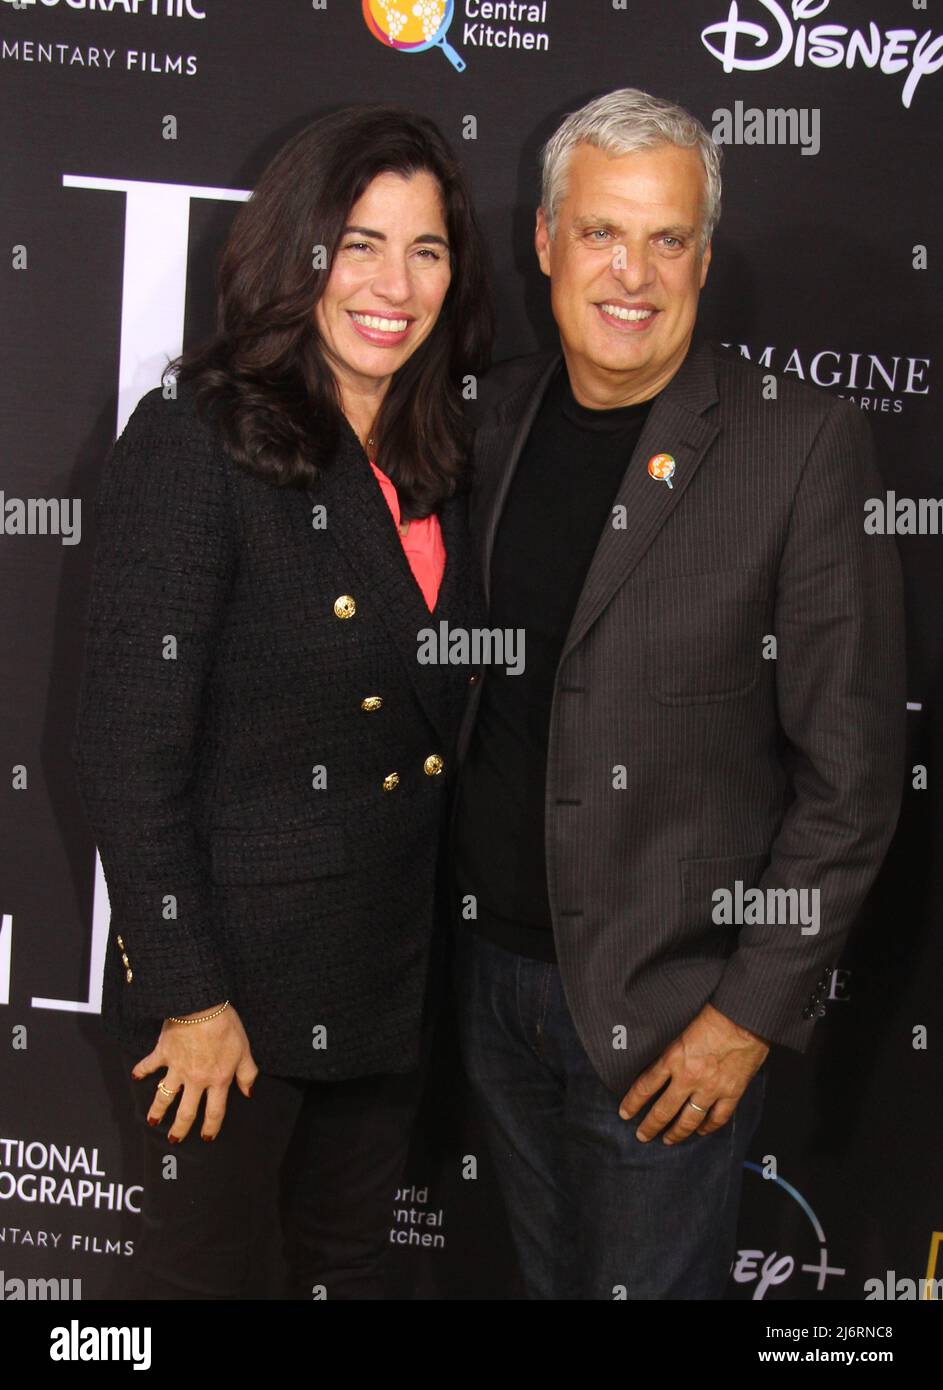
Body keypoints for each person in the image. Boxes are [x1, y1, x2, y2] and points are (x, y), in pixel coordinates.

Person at [450, 87, 906, 1300]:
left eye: (666, 240)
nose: (631, 274)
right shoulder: (486, 420)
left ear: (703, 257)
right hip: (489, 988)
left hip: (669, 1018)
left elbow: (853, 777)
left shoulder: (798, 444)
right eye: (601, 232)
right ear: (545, 243)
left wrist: (745, 1018)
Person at [71, 103, 493, 1300]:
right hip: (233, 1000)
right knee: (206, 1280)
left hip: (383, 979)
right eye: (358, 243)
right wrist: (192, 995)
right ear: (295, 251)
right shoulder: (197, 438)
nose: (394, 285)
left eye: (427, 249)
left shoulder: (439, 450)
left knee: (343, 1272)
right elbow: (124, 748)